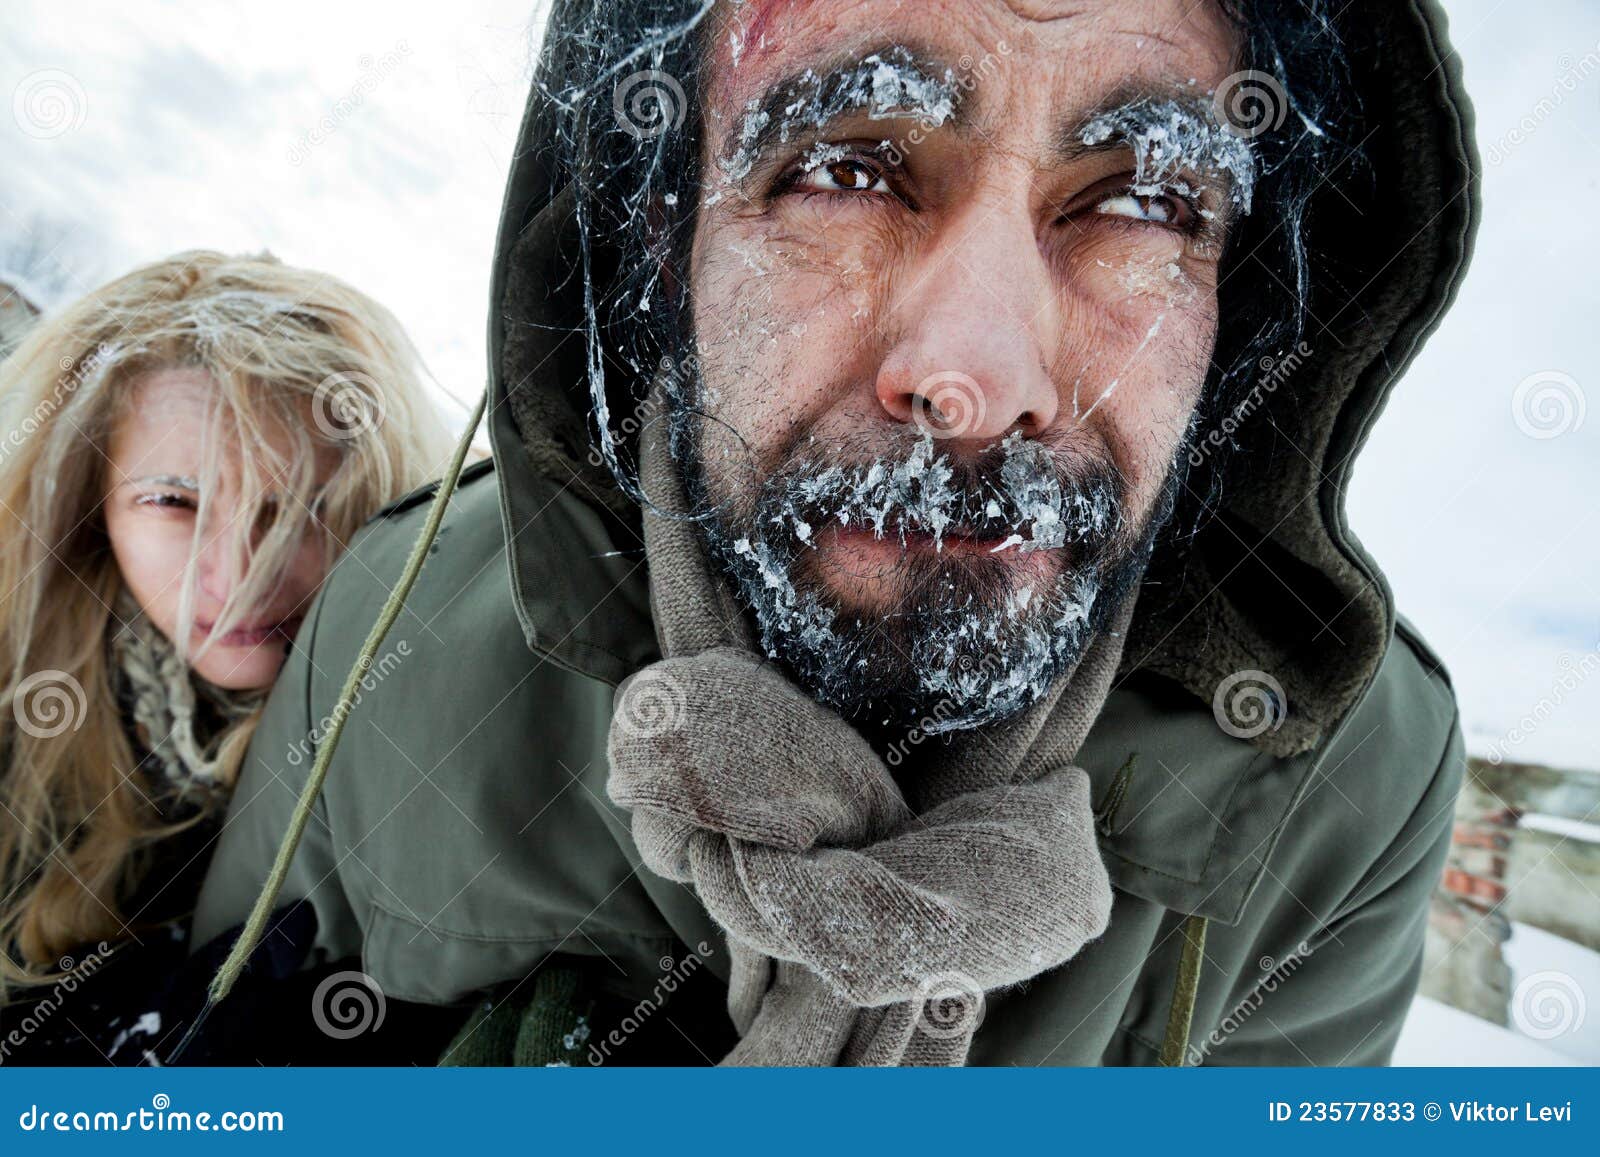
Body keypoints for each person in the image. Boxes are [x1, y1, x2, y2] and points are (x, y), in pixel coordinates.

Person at [196, 0, 1477, 1067]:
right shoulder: (395, 626)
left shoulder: (1349, 782)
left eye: (1142, 204)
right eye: (846, 173)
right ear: (662, 236)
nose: (973, 380)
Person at [0, 251, 458, 1063]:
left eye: (304, 507)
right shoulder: (18, 698)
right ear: (89, 500)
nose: (239, 574)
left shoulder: (432, 728)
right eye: (175, 501)